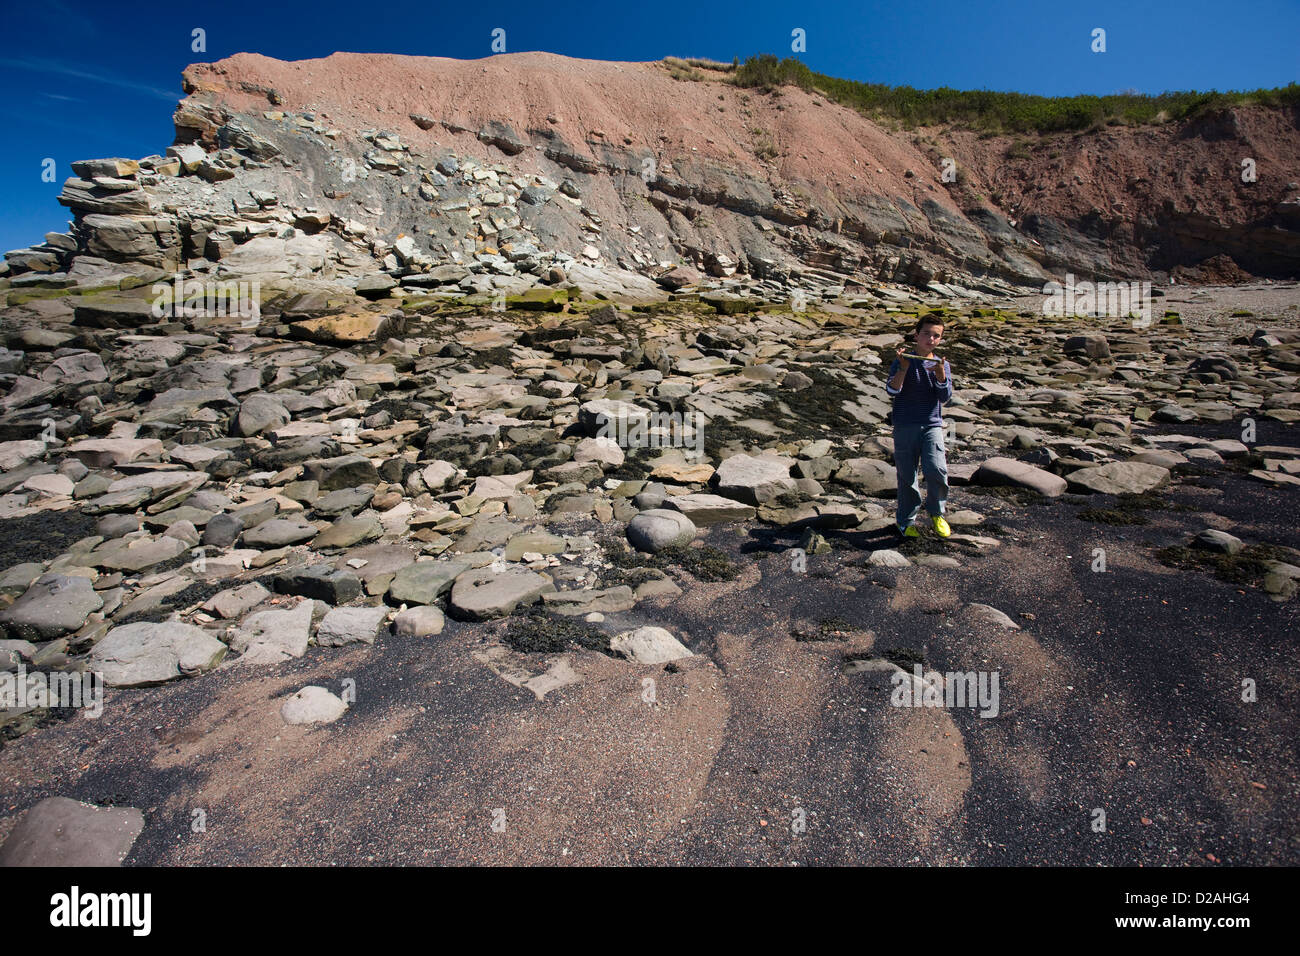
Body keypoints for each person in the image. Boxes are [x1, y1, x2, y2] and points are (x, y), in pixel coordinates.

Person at [884, 316, 953, 538]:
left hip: (931, 424)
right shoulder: (903, 360)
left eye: (936, 336)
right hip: (905, 425)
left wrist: (941, 375)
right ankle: (906, 521)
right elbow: (892, 391)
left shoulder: (941, 364)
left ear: (940, 339)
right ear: (917, 335)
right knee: (907, 476)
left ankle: (937, 514)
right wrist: (903, 368)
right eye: (926, 334)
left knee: (937, 469)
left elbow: (945, 397)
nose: (930, 339)